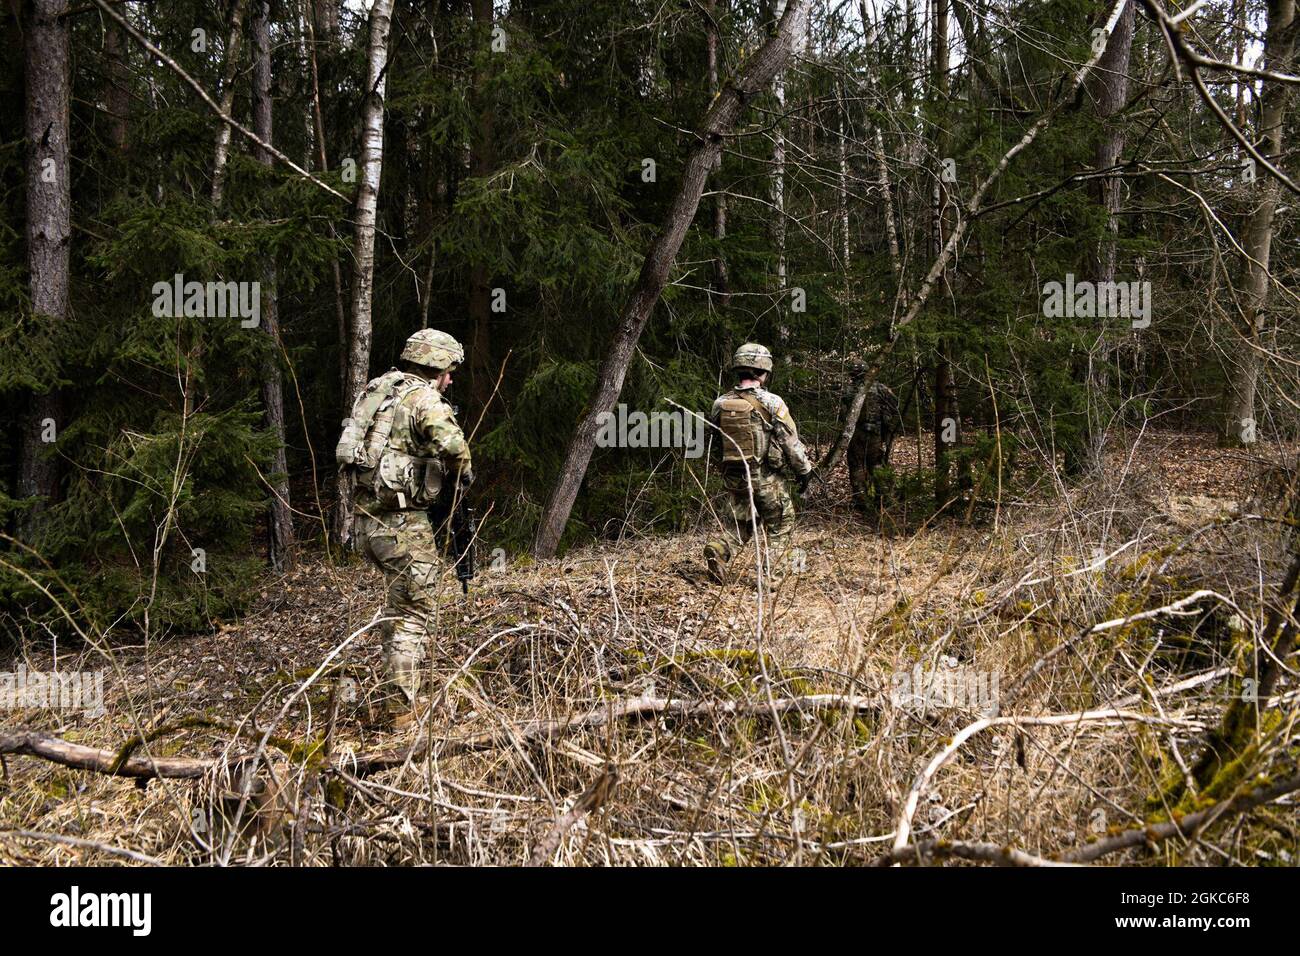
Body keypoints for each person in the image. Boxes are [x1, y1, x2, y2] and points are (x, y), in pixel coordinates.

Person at [335, 329, 473, 727]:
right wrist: (463, 473)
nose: (450, 379)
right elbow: (453, 445)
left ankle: (394, 697)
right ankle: (403, 711)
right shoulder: (422, 397)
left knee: (399, 610)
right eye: (448, 371)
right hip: (401, 523)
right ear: (434, 366)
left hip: (369, 523)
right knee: (417, 610)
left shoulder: (379, 390)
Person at [703, 343, 814, 583]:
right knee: (781, 523)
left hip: (735, 477)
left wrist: (724, 471)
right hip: (766, 479)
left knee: (740, 523)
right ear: (764, 371)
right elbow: (790, 443)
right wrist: (805, 471)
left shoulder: (719, 403)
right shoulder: (773, 402)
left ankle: (719, 550)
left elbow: (713, 442)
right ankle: (770, 577)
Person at [841, 360, 900, 512]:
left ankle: (861, 500)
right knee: (876, 464)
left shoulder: (848, 390)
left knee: (856, 466)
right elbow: (895, 404)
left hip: (856, 434)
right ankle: (884, 498)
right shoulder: (879, 387)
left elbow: (843, 414)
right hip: (875, 434)